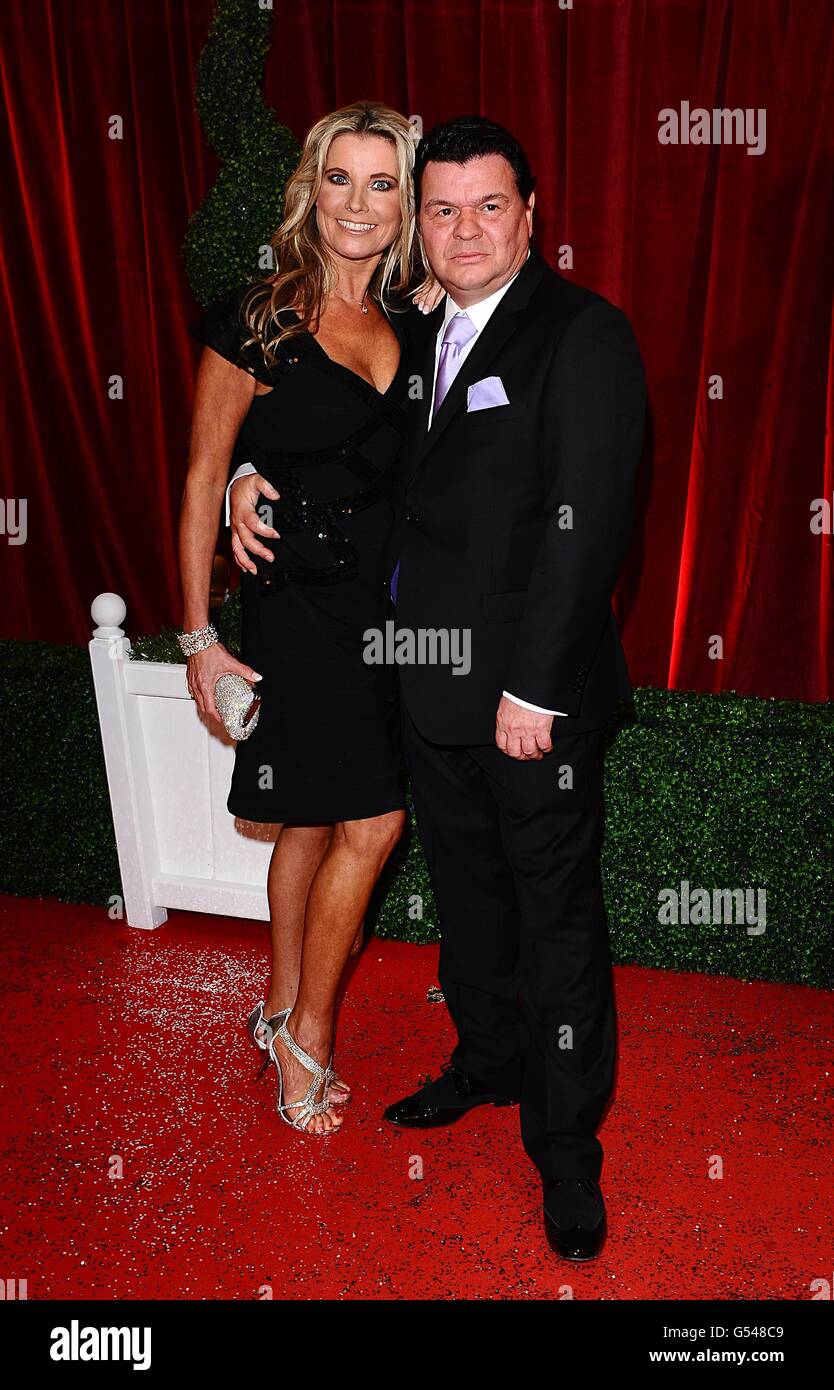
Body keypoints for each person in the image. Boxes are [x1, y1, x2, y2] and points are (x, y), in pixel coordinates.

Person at [230, 114, 646, 1262]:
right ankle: (486, 1060)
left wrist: (537, 689)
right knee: (468, 897)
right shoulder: (417, 330)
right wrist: (249, 472)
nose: (464, 229)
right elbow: (340, 438)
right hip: (425, 682)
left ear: (529, 216)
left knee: (555, 918)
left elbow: (587, 532)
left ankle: (567, 1151)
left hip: (529, 702)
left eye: (488, 207)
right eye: (445, 207)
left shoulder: (581, 336)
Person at [178, 101, 419, 1137]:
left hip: (390, 611)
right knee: (373, 817)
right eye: (339, 178)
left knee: (319, 817)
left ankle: (278, 1006)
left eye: (381, 182)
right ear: (308, 190)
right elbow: (198, 476)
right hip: (293, 607)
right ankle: (308, 1037)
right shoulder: (259, 318)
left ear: (405, 200)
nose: (357, 204)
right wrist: (198, 637)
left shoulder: (420, 320)